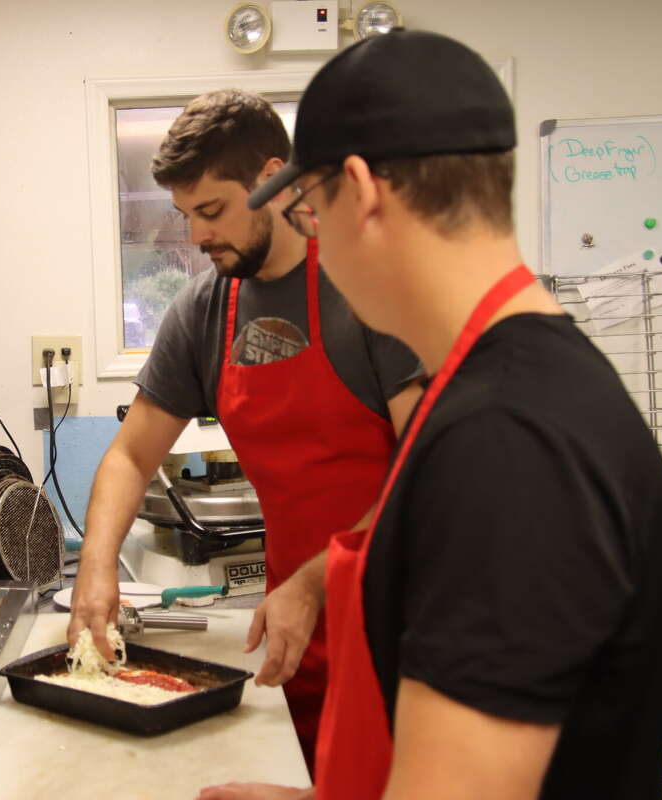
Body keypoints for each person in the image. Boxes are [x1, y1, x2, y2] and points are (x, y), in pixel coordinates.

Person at [198, 29, 662, 800]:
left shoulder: (507, 443)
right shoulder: (502, 386)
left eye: (312, 213)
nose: (316, 245)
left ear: (361, 192)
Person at [68, 89, 423, 759]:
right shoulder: (204, 310)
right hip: (292, 638)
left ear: (272, 181)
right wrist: (95, 565)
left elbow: (430, 474)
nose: (195, 236)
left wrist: (316, 583)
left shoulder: (372, 286)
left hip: (402, 637)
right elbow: (129, 458)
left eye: (211, 211)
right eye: (184, 214)